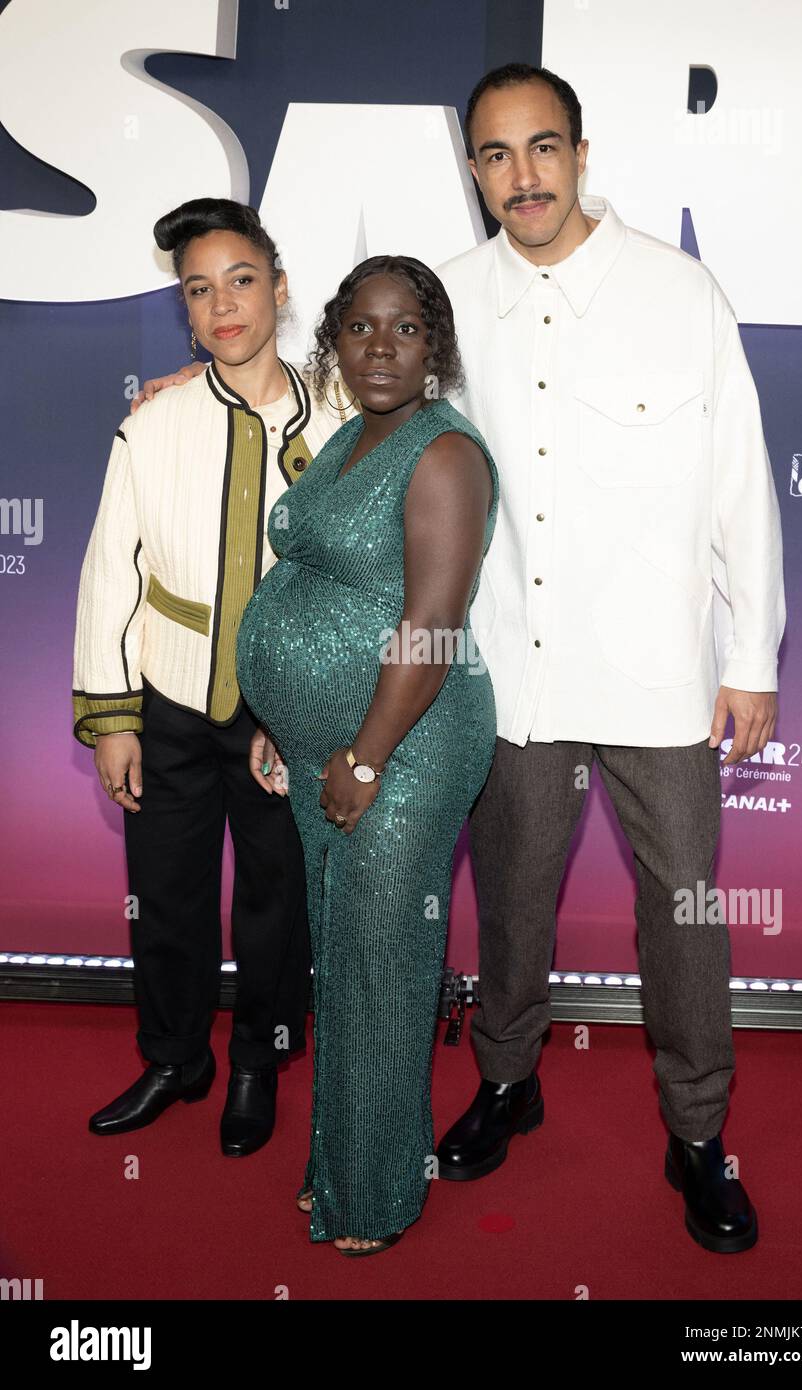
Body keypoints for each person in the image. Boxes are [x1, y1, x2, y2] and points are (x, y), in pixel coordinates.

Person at [429, 64, 785, 1256]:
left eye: (541, 149)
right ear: (472, 169)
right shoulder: (450, 300)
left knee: (685, 913)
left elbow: (739, 480)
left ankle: (696, 1137)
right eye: (493, 154)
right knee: (512, 903)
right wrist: (215, 388)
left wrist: (750, 655)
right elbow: (365, 422)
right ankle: (508, 1080)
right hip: (510, 670)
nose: (520, 176)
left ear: (580, 155)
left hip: (654, 675)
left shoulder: (679, 293)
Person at [235, 255, 498, 1255]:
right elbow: (306, 581)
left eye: (403, 328)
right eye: (359, 327)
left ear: (434, 345)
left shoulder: (442, 453)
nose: (379, 346)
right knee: (340, 962)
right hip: (324, 748)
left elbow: (432, 621)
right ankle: (339, 1163)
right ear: (332, 341)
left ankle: (378, 1193)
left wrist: (366, 757)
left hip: (408, 748)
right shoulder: (350, 434)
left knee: (382, 967)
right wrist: (283, 715)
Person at [72, 198, 346, 1157]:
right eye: (199, 289)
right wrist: (112, 716)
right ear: (184, 311)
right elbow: (112, 568)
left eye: (240, 280)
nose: (223, 304)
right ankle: (176, 1055)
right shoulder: (153, 421)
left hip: (288, 711)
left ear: (278, 287)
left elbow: (363, 579)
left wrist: (311, 705)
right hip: (172, 696)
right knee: (167, 890)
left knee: (278, 902)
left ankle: (258, 1064)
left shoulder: (349, 419)